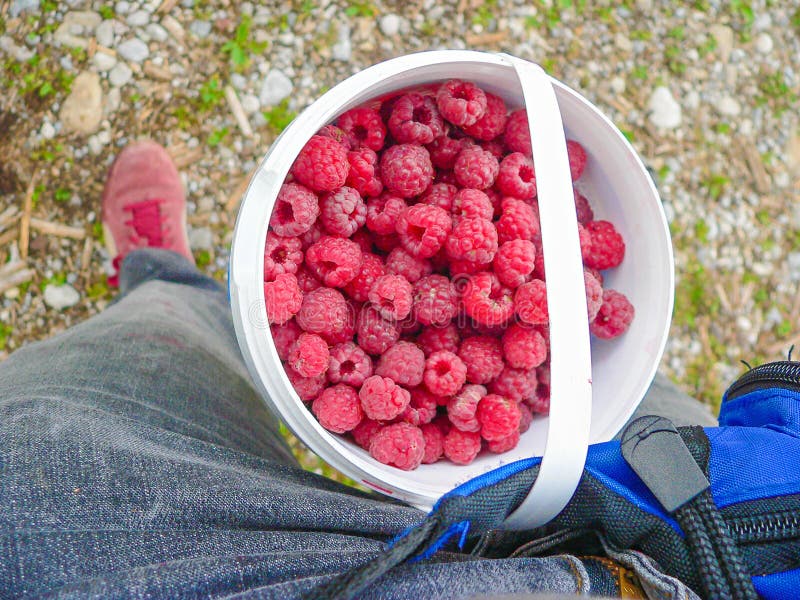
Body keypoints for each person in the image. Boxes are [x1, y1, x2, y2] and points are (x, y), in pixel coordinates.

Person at [0, 140, 717, 599]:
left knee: (54, 432)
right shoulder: (446, 266)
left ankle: (163, 281)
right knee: (639, 411)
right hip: (708, 543)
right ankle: (167, 280)